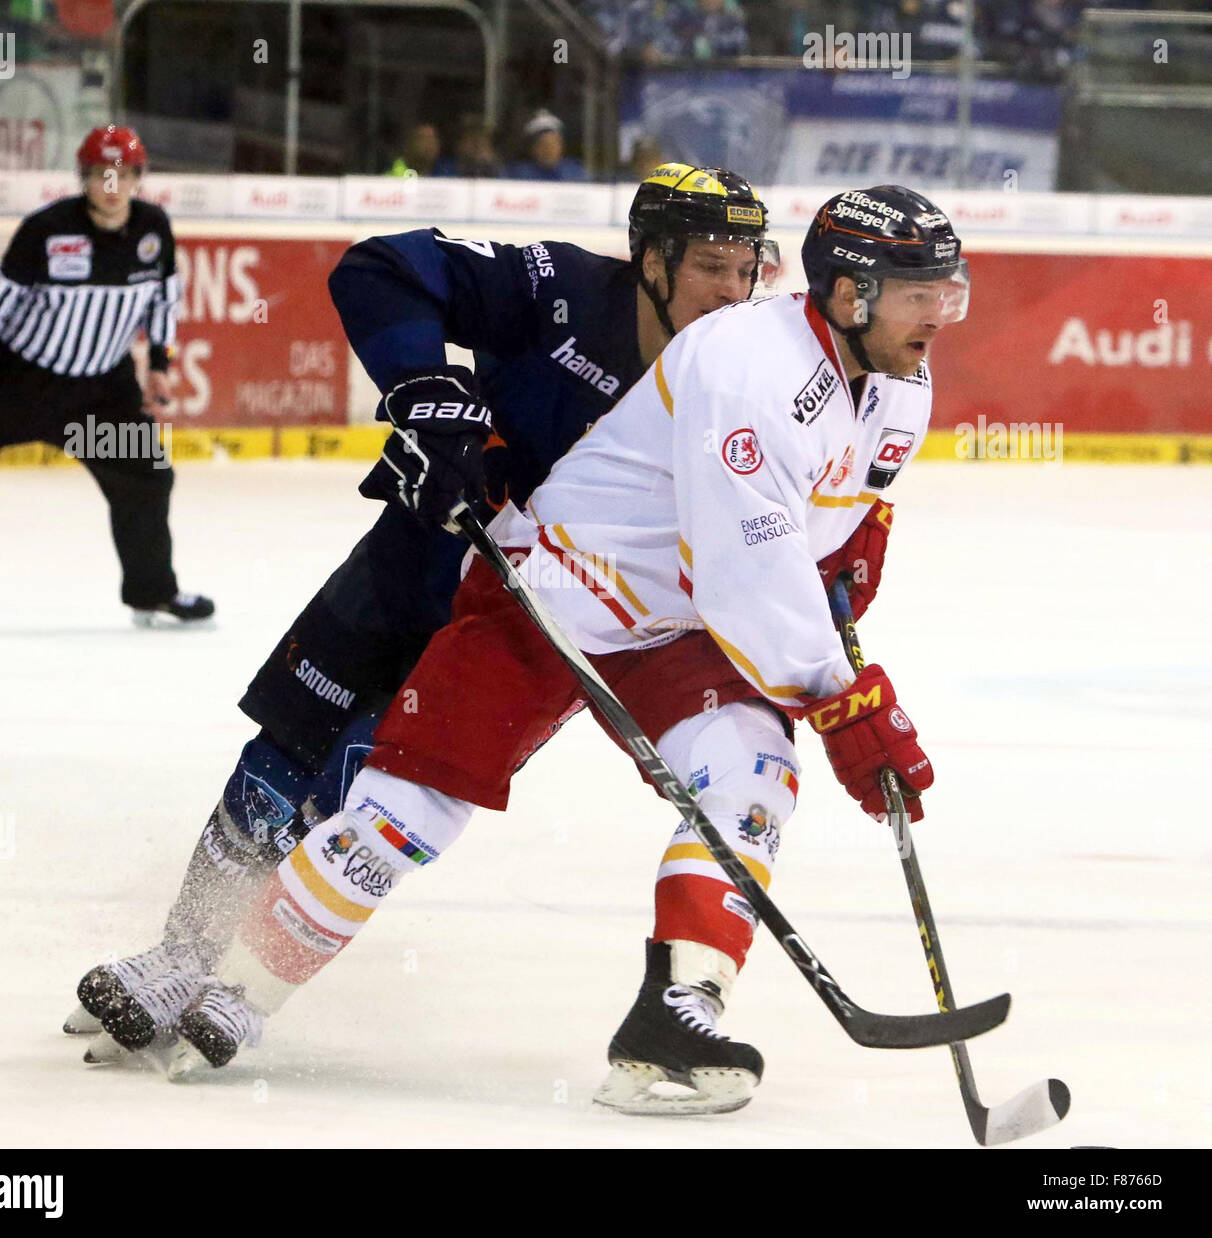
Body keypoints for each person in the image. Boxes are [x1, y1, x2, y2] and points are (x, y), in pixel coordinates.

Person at [136, 186, 971, 1111]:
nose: (942, 312)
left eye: (950, 290)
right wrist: (843, 700)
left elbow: (830, 516)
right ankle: (237, 987)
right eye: (921, 291)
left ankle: (674, 1015)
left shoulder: (902, 383)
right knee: (410, 807)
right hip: (558, 590)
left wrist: (849, 554)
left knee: (753, 768)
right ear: (851, 295)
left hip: (675, 620)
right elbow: (748, 574)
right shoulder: (747, 367)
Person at [67, 164, 775, 1056]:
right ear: (650, 257)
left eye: (748, 264)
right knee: (285, 742)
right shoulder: (556, 290)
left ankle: (226, 968)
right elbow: (377, 267)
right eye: (712, 262)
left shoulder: (740, 374)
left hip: (521, 624)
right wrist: (426, 394)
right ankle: (180, 949)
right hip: (415, 555)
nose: (734, 288)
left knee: (362, 779)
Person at [0, 124, 212, 623]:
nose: (111, 187)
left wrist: (160, 365)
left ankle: (152, 591)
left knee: (147, 476)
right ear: (84, 179)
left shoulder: (153, 229)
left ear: (139, 178)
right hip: (14, 384)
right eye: (100, 175)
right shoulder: (47, 229)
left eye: (122, 174)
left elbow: (164, 298)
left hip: (100, 396)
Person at [505, 110, 588, 182]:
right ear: (532, 148)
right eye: (543, 144)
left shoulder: (575, 172)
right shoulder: (517, 173)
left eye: (554, 143)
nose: (549, 150)